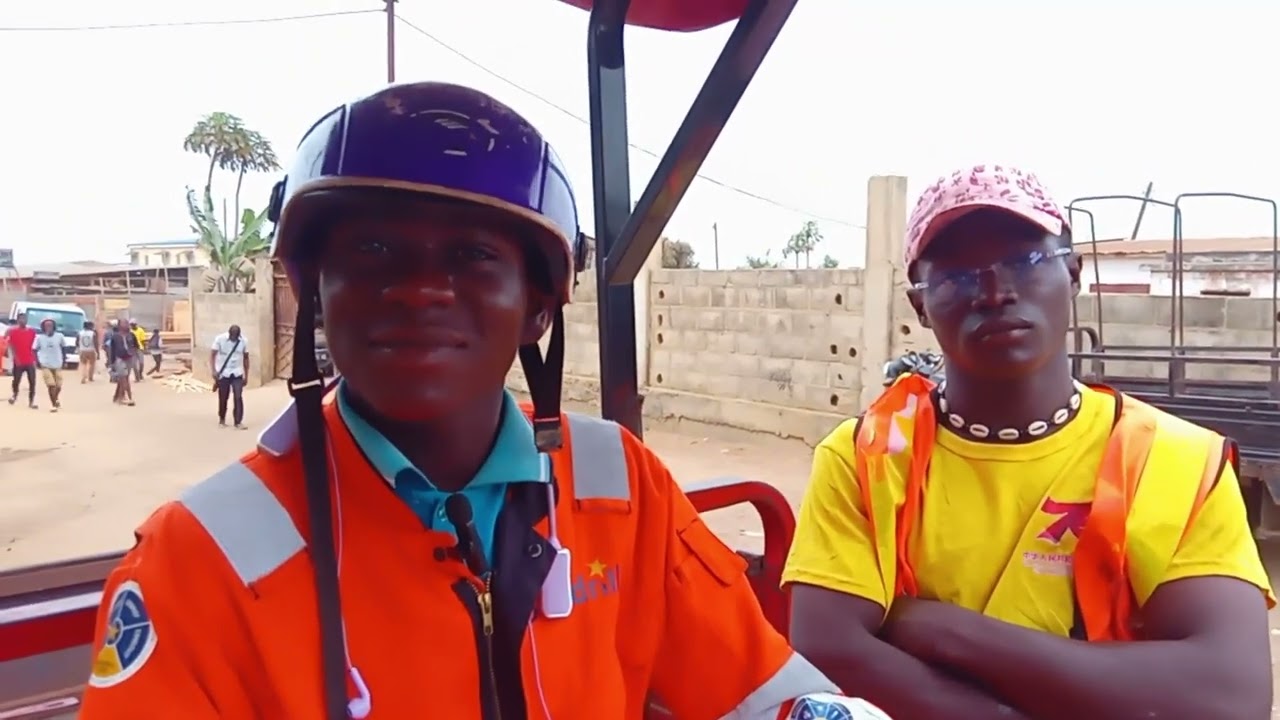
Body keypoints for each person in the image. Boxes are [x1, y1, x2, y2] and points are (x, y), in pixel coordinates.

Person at [77, 82, 888, 720]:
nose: (420, 289)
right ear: (315, 292)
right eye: (373, 249)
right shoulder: (203, 559)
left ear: (539, 307)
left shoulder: (617, 487)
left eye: (470, 256)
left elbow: (760, 692)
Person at [783, 164, 1273, 720]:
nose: (994, 292)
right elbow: (829, 652)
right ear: (919, 305)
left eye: (1025, 260)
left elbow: (1230, 696)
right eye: (956, 277)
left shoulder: (1174, 461)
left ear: (1073, 272)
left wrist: (940, 629)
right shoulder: (866, 457)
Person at [209, 324, 249, 429]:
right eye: (233, 337)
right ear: (229, 334)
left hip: (237, 372)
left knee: (238, 396)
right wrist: (213, 370)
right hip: (223, 372)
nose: (234, 339)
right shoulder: (220, 339)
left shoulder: (244, 341)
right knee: (223, 397)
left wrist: (246, 375)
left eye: (236, 337)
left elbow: (246, 358)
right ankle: (222, 419)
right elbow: (212, 354)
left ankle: (238, 421)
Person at [33, 318, 67, 411]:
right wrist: (37, 361)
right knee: (51, 385)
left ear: (54, 327)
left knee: (58, 386)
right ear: (43, 327)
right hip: (45, 364)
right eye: (46, 326)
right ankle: (53, 405)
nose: (48, 327)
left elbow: (64, 348)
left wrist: (64, 361)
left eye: (50, 325)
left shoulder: (60, 336)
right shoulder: (40, 338)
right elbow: (34, 350)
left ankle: (55, 399)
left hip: (57, 364)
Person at [6, 312, 37, 408]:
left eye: (24, 319)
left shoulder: (32, 332)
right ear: (18, 320)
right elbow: (11, 346)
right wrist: (16, 358)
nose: (23, 321)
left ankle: (31, 401)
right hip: (19, 361)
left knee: (32, 381)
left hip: (29, 360)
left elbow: (32, 346)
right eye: (21, 319)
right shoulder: (13, 332)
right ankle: (15, 395)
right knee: (16, 380)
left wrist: (34, 360)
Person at [106, 320, 135, 407]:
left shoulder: (131, 335)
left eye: (127, 323)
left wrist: (133, 354)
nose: (126, 325)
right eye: (124, 323)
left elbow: (136, 346)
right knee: (123, 378)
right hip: (119, 359)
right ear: (119, 326)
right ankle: (128, 397)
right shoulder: (115, 336)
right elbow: (111, 349)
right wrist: (111, 363)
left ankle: (117, 397)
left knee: (124, 378)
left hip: (129, 359)